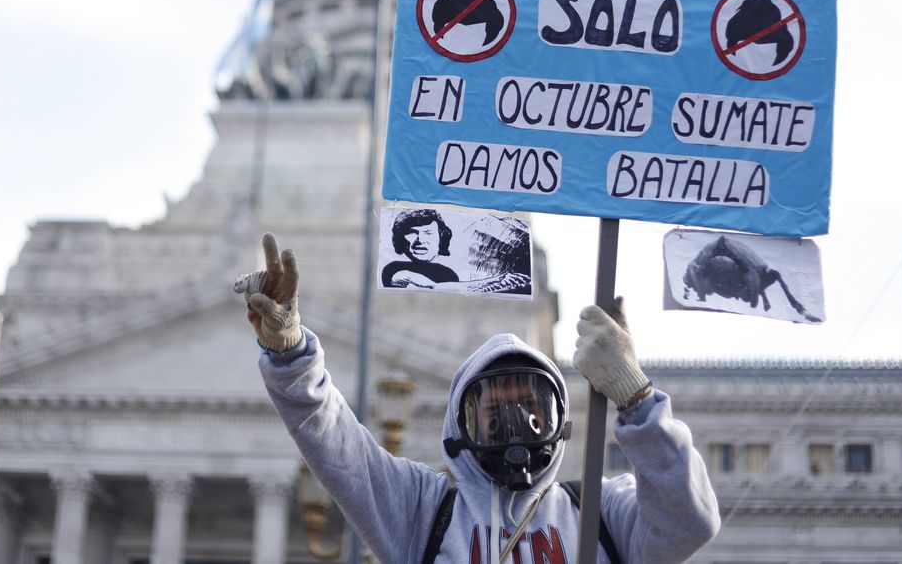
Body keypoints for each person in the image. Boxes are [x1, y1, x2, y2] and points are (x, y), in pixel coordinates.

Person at [236, 233, 720, 563]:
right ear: (460, 426)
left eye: (529, 408)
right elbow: (338, 445)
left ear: (558, 417)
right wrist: (291, 356)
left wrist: (636, 396)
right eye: (494, 411)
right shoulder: (424, 511)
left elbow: (689, 521)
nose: (514, 422)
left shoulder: (601, 510)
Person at [381, 208, 460, 289]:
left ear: (441, 237)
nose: (420, 241)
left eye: (428, 233)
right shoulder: (393, 269)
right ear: (400, 237)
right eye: (412, 233)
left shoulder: (448, 273)